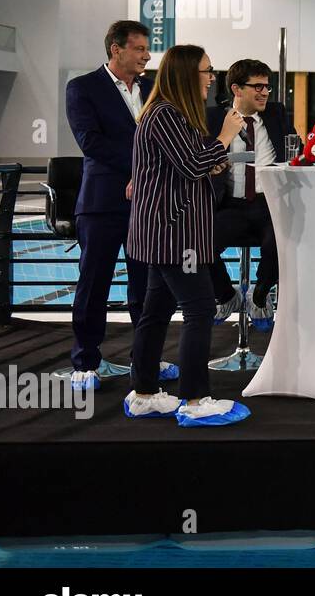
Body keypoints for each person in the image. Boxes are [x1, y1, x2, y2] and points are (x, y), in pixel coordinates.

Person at [123, 44, 250, 425]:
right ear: (185, 75)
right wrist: (225, 135)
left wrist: (211, 159)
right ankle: (194, 400)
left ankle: (144, 393)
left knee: (156, 311)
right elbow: (195, 163)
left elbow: (188, 164)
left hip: (167, 231)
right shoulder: (165, 115)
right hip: (174, 234)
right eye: (207, 71)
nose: (212, 78)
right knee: (199, 309)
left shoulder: (171, 115)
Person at [64, 21, 158, 390]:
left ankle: (144, 360)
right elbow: (92, 143)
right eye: (139, 49)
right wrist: (144, 166)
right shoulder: (83, 88)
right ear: (116, 49)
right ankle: (85, 362)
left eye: (147, 49)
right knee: (94, 284)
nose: (147, 55)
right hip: (102, 204)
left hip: (147, 204)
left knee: (145, 286)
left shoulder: (153, 88)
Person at [207, 59, 290, 330]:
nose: (265, 92)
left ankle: (260, 294)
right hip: (230, 204)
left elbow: (293, 149)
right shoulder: (214, 119)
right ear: (237, 89)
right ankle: (226, 295)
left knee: (282, 241)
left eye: (267, 86)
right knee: (198, 242)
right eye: (257, 86)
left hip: (270, 203)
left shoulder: (277, 114)